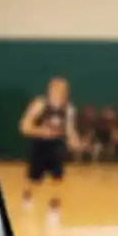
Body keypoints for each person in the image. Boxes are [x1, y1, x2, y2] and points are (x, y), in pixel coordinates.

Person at [18, 77, 74, 228]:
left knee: (58, 179)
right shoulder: (40, 104)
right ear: (50, 90)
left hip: (57, 146)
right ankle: (27, 196)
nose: (60, 93)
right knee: (33, 180)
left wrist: (73, 141)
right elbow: (24, 127)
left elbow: (69, 129)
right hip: (40, 146)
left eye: (63, 90)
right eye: (56, 89)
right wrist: (40, 131)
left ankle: (54, 209)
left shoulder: (68, 108)